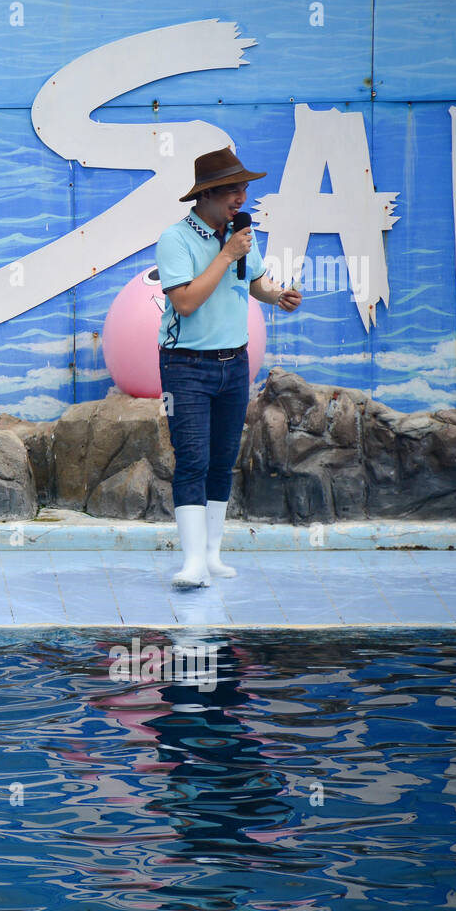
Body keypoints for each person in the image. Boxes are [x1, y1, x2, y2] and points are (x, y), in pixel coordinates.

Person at [156, 147, 302, 588]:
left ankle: (213, 555)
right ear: (208, 195)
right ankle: (192, 561)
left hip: (233, 362)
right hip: (186, 365)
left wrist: (276, 295)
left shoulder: (240, 235)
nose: (242, 198)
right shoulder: (176, 239)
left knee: (222, 460)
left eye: (244, 189)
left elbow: (252, 279)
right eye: (234, 191)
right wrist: (224, 254)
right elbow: (184, 300)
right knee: (193, 460)